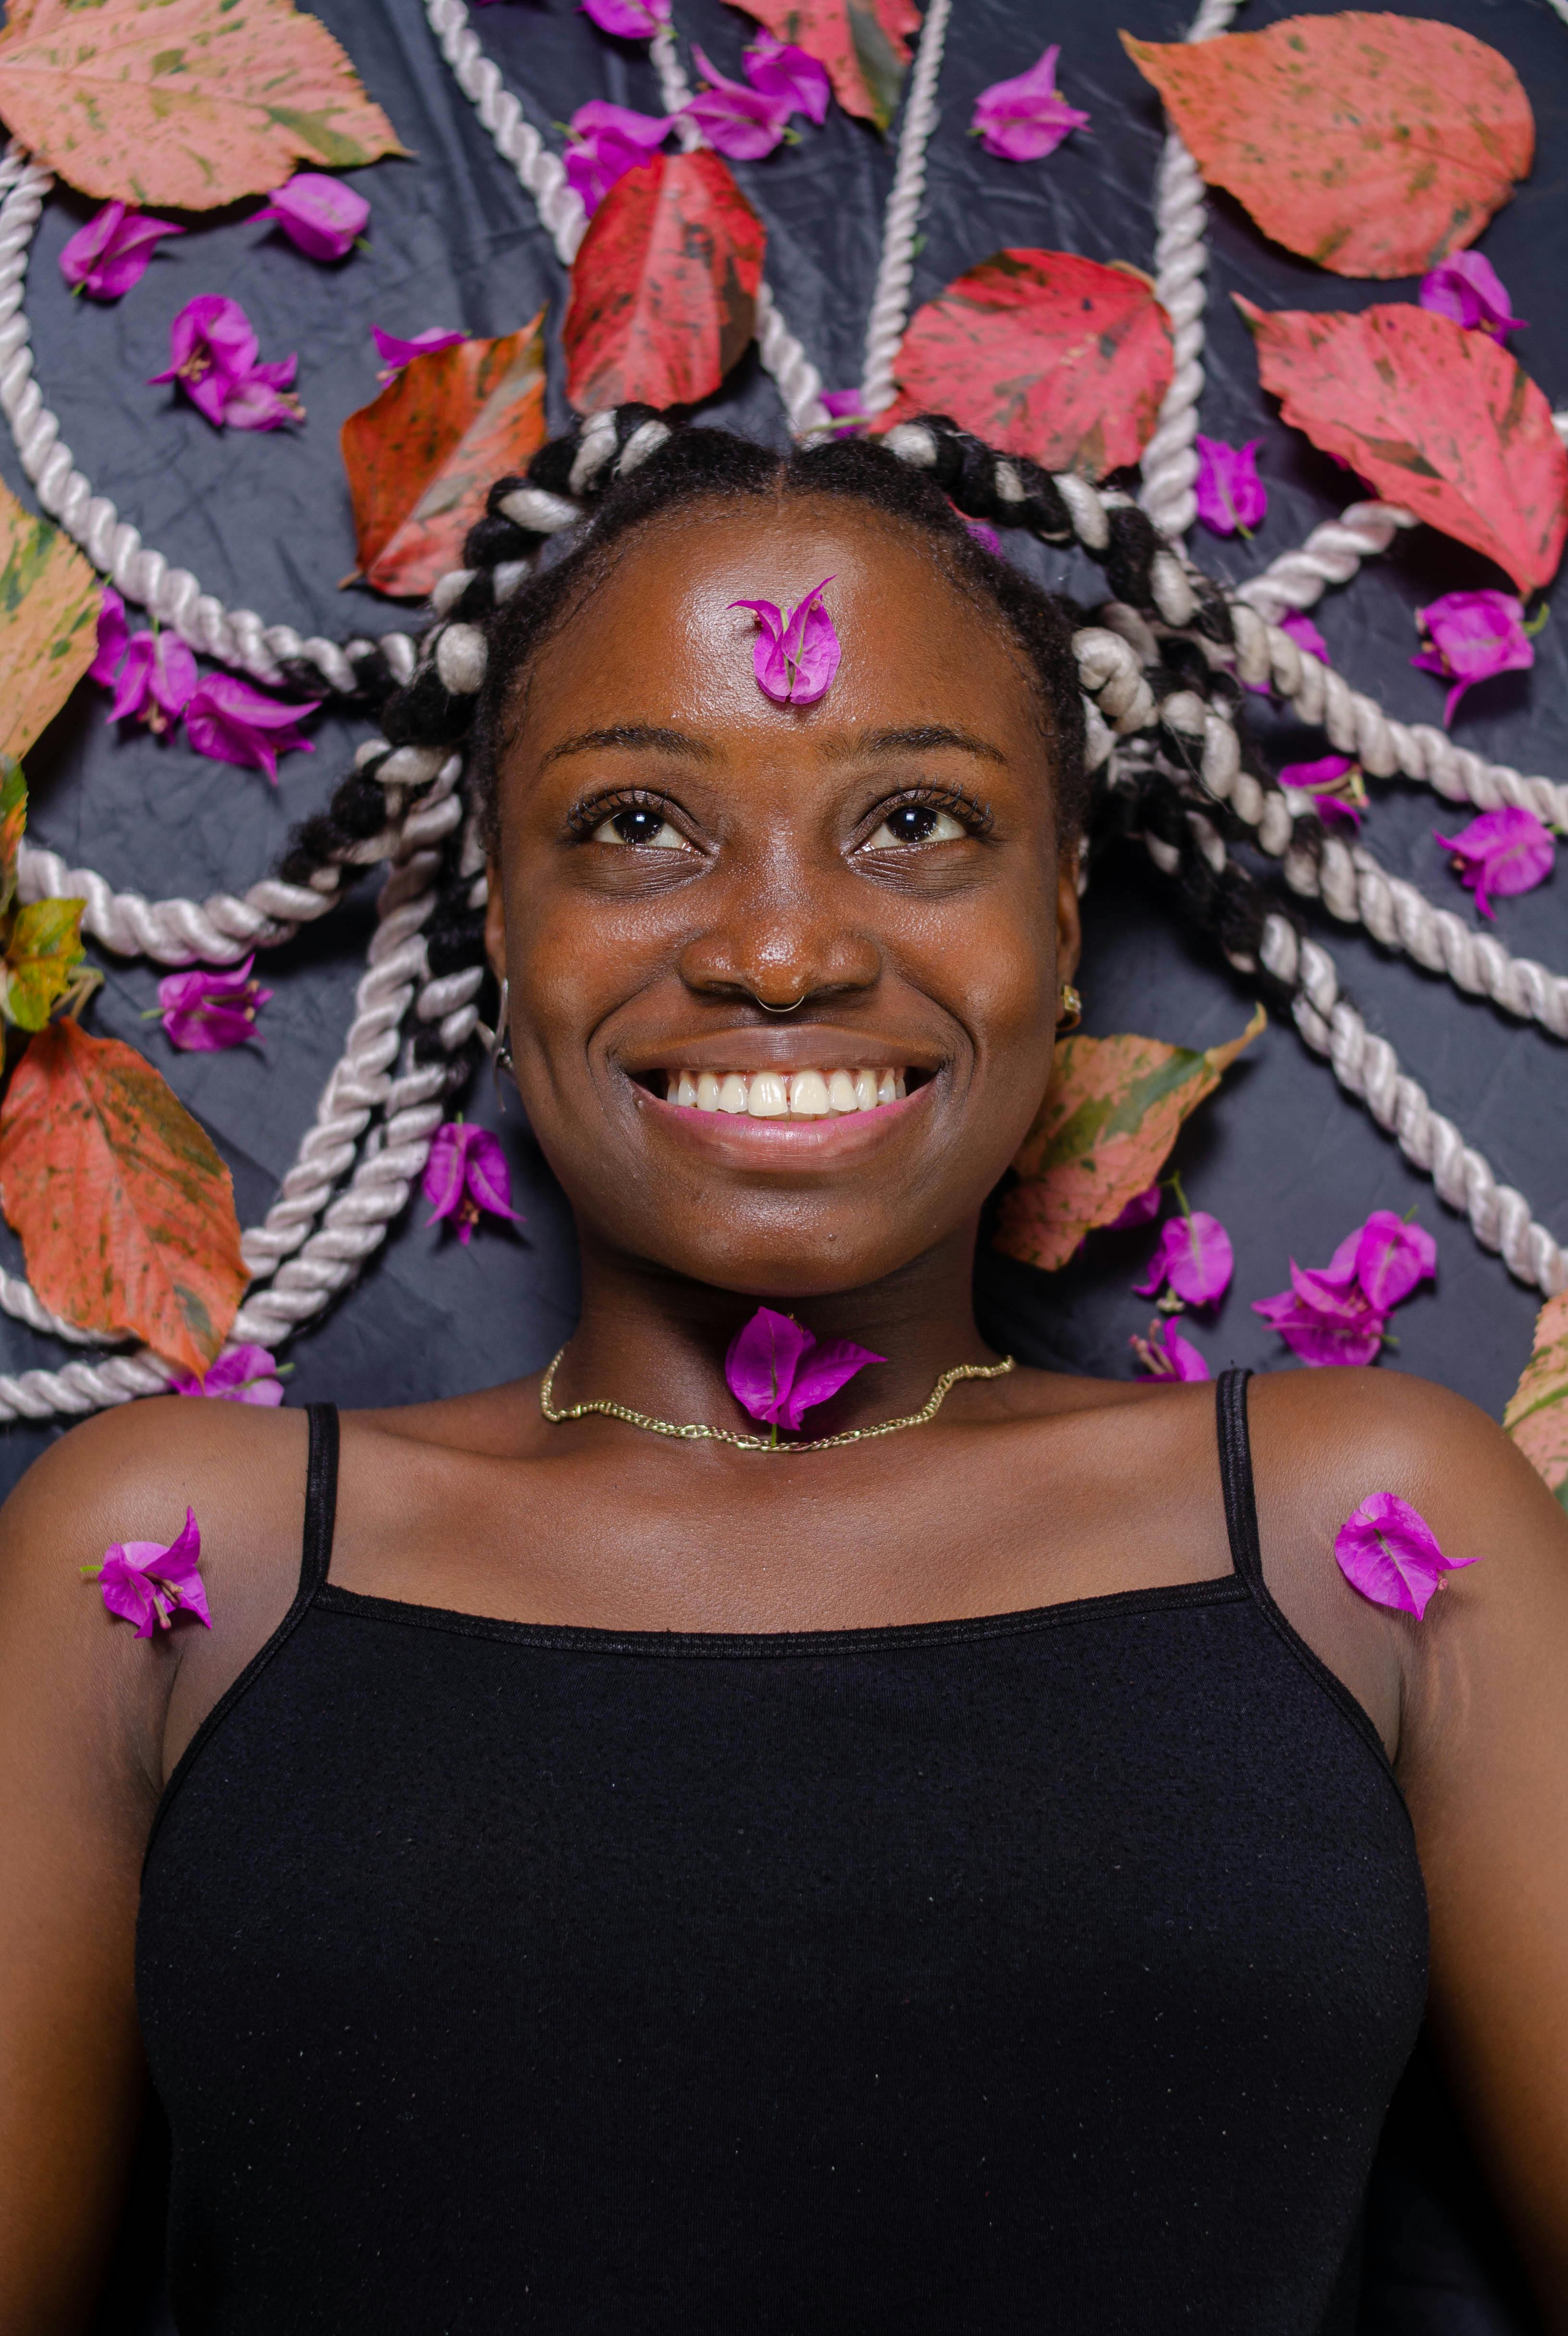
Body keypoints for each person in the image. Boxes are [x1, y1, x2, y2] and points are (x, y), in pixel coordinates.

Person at [1, 422, 1566, 2336]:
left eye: (916, 821)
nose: (779, 946)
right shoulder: (180, 1567)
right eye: (634, 823)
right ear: (499, 918)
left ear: (1061, 912)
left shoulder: (1364, 1535)